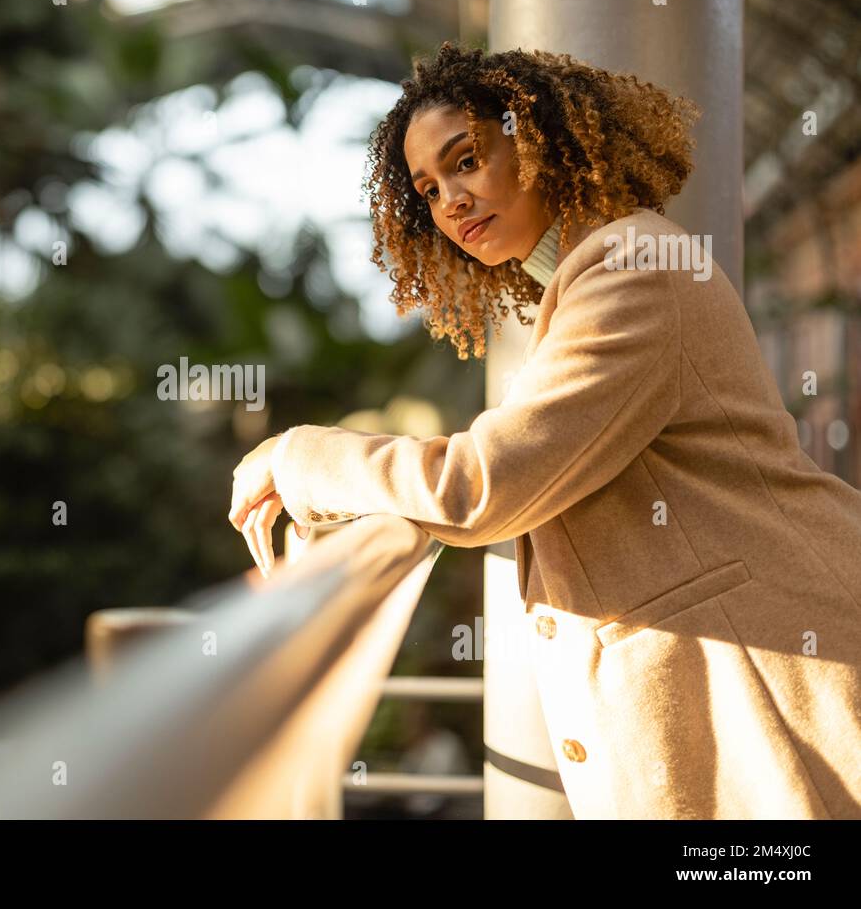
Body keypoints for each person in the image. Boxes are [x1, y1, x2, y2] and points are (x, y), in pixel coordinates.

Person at [227, 42, 861, 819]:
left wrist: (296, 457)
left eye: (466, 161)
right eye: (427, 189)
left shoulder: (634, 268)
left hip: (782, 683)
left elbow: (484, 485)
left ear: (537, 140)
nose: (450, 201)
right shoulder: (597, 274)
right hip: (746, 681)